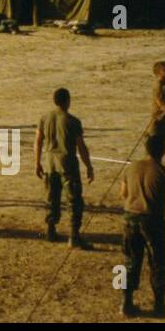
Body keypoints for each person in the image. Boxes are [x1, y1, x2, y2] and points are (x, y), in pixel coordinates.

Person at [117, 135, 165, 318]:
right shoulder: (164, 172)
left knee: (129, 262)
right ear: (162, 152)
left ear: (145, 149)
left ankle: (125, 302)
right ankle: (159, 304)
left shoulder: (131, 167)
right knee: (158, 262)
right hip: (152, 220)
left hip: (130, 218)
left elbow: (123, 194)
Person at [34, 87, 95, 248]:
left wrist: (37, 162)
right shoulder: (72, 121)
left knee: (51, 198)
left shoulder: (45, 118)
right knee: (74, 200)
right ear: (67, 101)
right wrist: (88, 166)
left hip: (49, 164)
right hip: (67, 165)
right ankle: (74, 235)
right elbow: (81, 146)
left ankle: (51, 230)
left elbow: (38, 140)